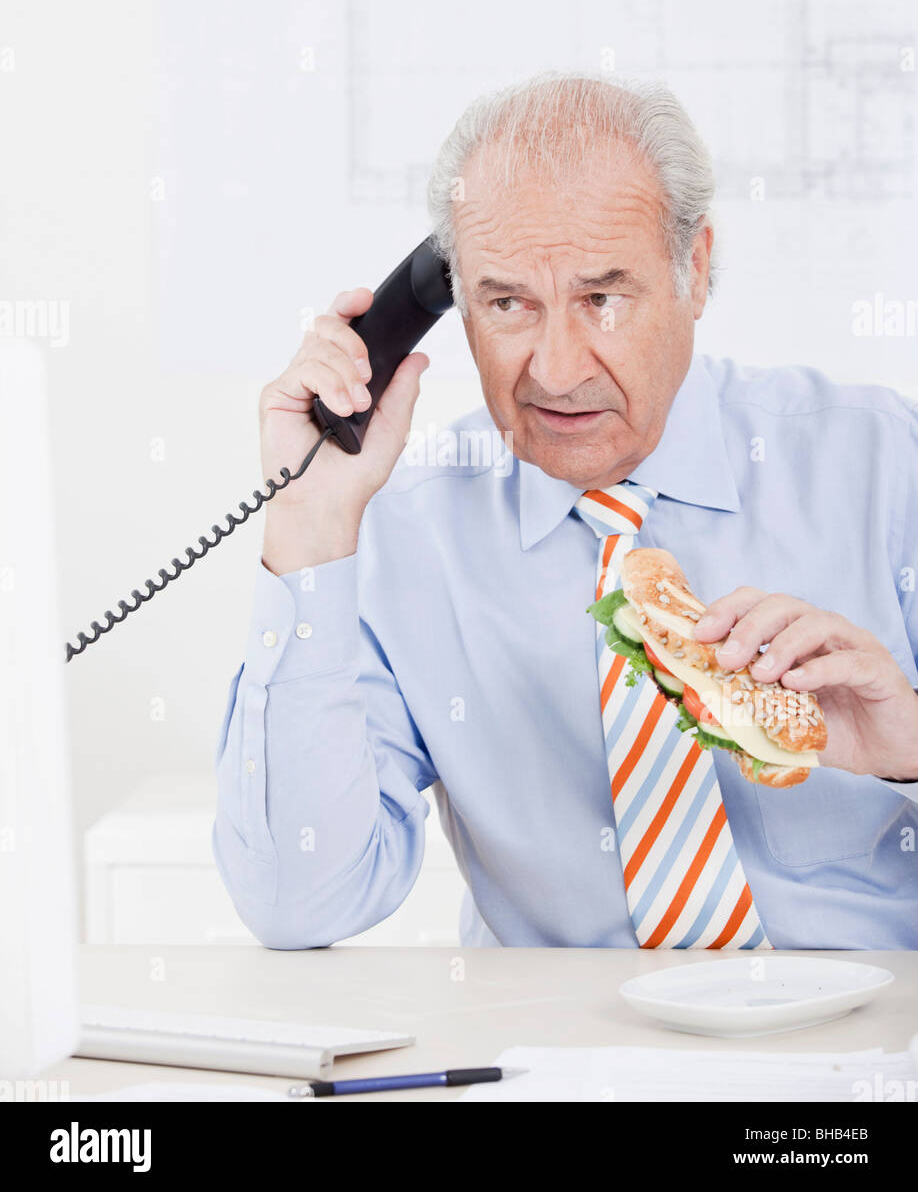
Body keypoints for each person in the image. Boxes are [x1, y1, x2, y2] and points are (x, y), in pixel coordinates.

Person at [213, 72, 918, 950]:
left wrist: (910, 746)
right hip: (563, 1061)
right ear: (446, 301)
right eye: (507, 302)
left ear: (694, 271)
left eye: (602, 298)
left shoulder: (884, 466)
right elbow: (300, 903)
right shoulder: (405, 532)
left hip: (861, 1056)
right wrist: (308, 520)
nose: (553, 367)